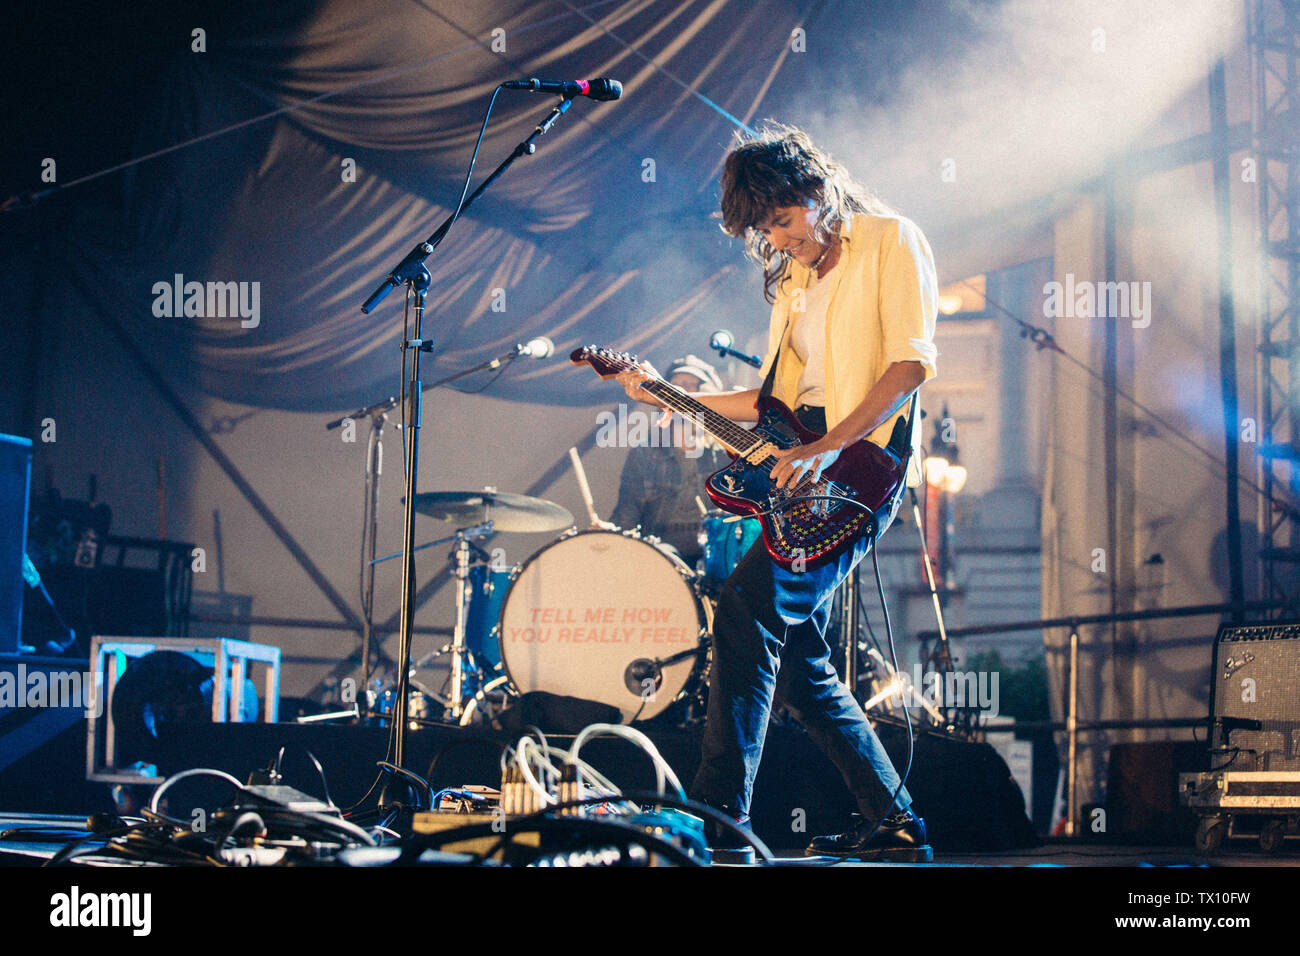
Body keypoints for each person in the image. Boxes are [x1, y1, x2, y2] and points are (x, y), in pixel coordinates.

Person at [614, 123, 938, 862]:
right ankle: (896, 823)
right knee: (797, 661)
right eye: (766, 229)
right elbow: (770, 405)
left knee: (745, 609)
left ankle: (716, 817)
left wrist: (828, 448)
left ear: (819, 191)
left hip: (862, 466)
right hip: (807, 462)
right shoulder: (794, 282)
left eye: (784, 220)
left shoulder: (891, 239)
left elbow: (909, 366)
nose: (779, 239)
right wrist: (664, 393)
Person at [604, 355, 727, 568]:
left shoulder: (727, 457)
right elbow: (626, 518)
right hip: (660, 566)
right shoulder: (645, 455)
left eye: (693, 386)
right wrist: (606, 536)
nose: (685, 394)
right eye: (677, 387)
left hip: (718, 566)